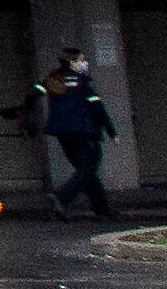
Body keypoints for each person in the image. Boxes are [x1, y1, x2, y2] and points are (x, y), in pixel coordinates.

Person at [42, 51, 117, 222]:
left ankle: (102, 209)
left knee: (86, 171)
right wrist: (111, 130)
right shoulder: (83, 81)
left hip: (63, 134)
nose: (84, 63)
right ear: (72, 62)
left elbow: (35, 92)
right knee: (88, 168)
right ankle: (62, 196)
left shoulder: (54, 79)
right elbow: (97, 106)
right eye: (82, 60)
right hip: (85, 131)